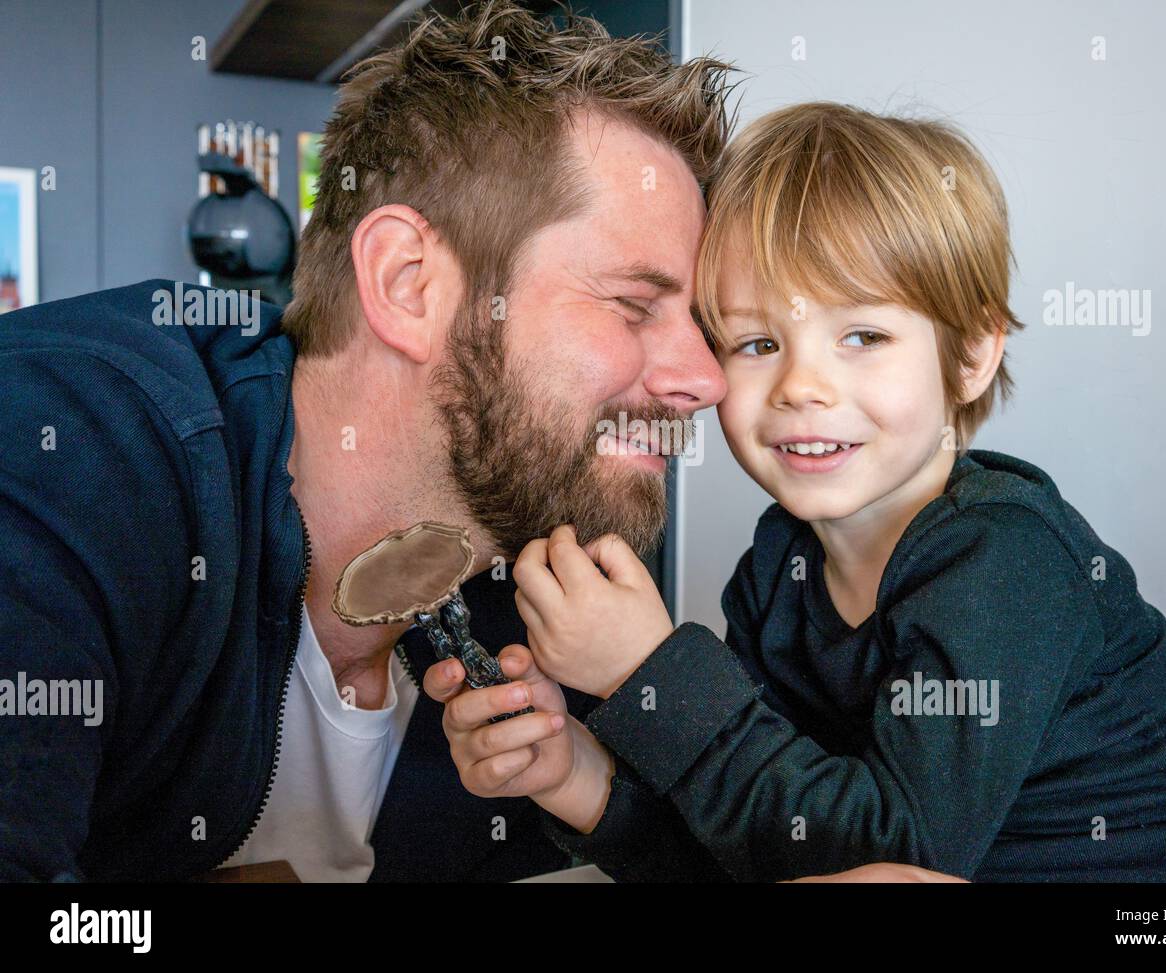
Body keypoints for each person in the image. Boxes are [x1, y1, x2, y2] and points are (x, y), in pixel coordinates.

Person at [0, 1, 735, 882]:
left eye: (701, 324)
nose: (708, 378)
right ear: (407, 283)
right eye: (631, 305)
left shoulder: (539, 586)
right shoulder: (70, 446)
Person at [433, 102, 1166, 883]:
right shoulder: (776, 569)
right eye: (757, 341)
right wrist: (579, 772)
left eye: (861, 335)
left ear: (970, 353)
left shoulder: (1005, 558)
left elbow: (894, 861)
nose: (801, 384)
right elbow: (762, 846)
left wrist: (654, 671)